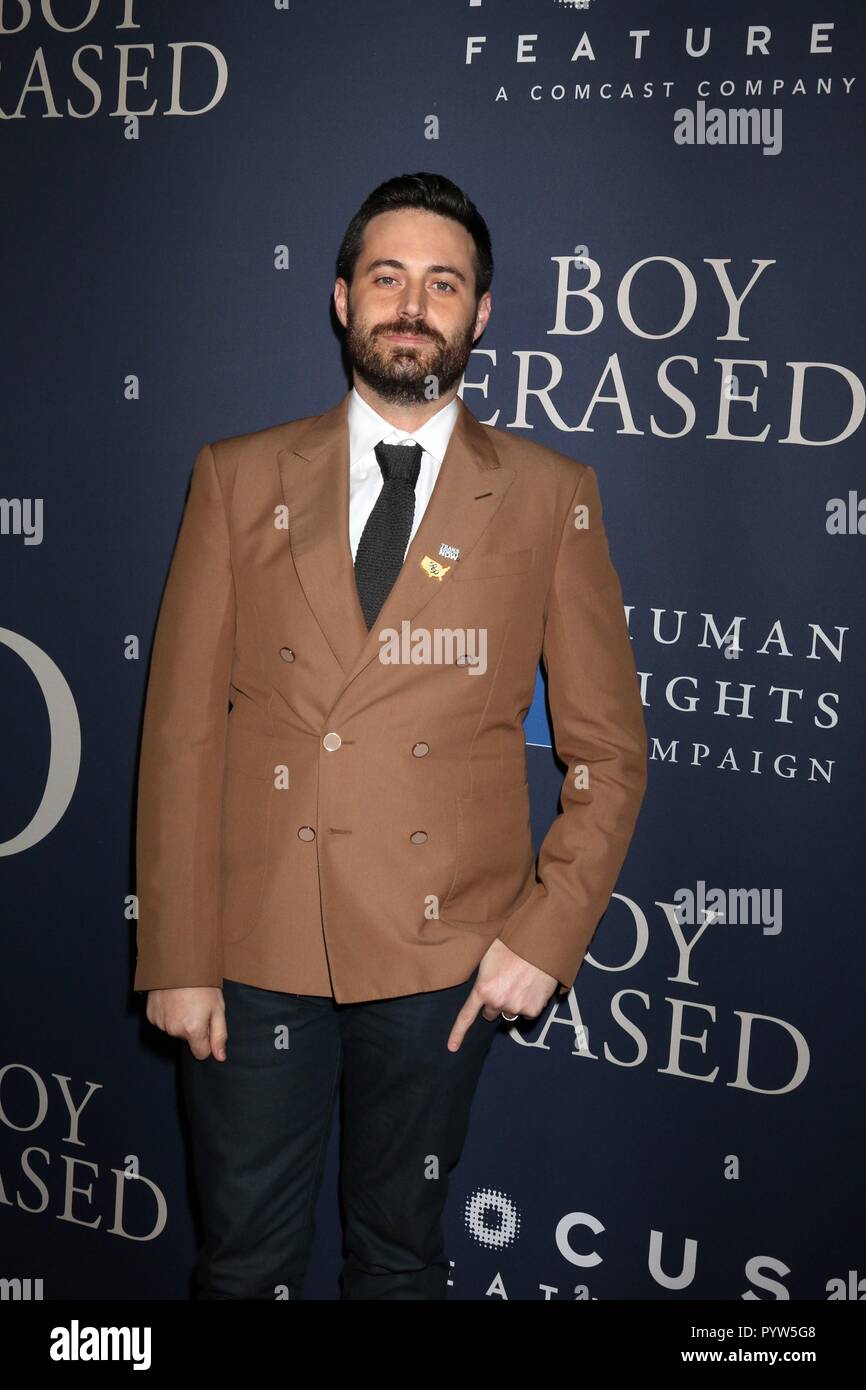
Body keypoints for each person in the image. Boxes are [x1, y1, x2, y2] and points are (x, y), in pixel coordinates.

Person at [134, 171, 648, 1299]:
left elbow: (607, 750)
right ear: (340, 297)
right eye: (387, 277)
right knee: (244, 1262)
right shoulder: (236, 476)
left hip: (442, 962)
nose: (411, 304)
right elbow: (179, 734)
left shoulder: (551, 494)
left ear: (480, 313)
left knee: (402, 1258)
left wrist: (544, 935)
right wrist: (175, 952)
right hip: (253, 947)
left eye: (442, 283)